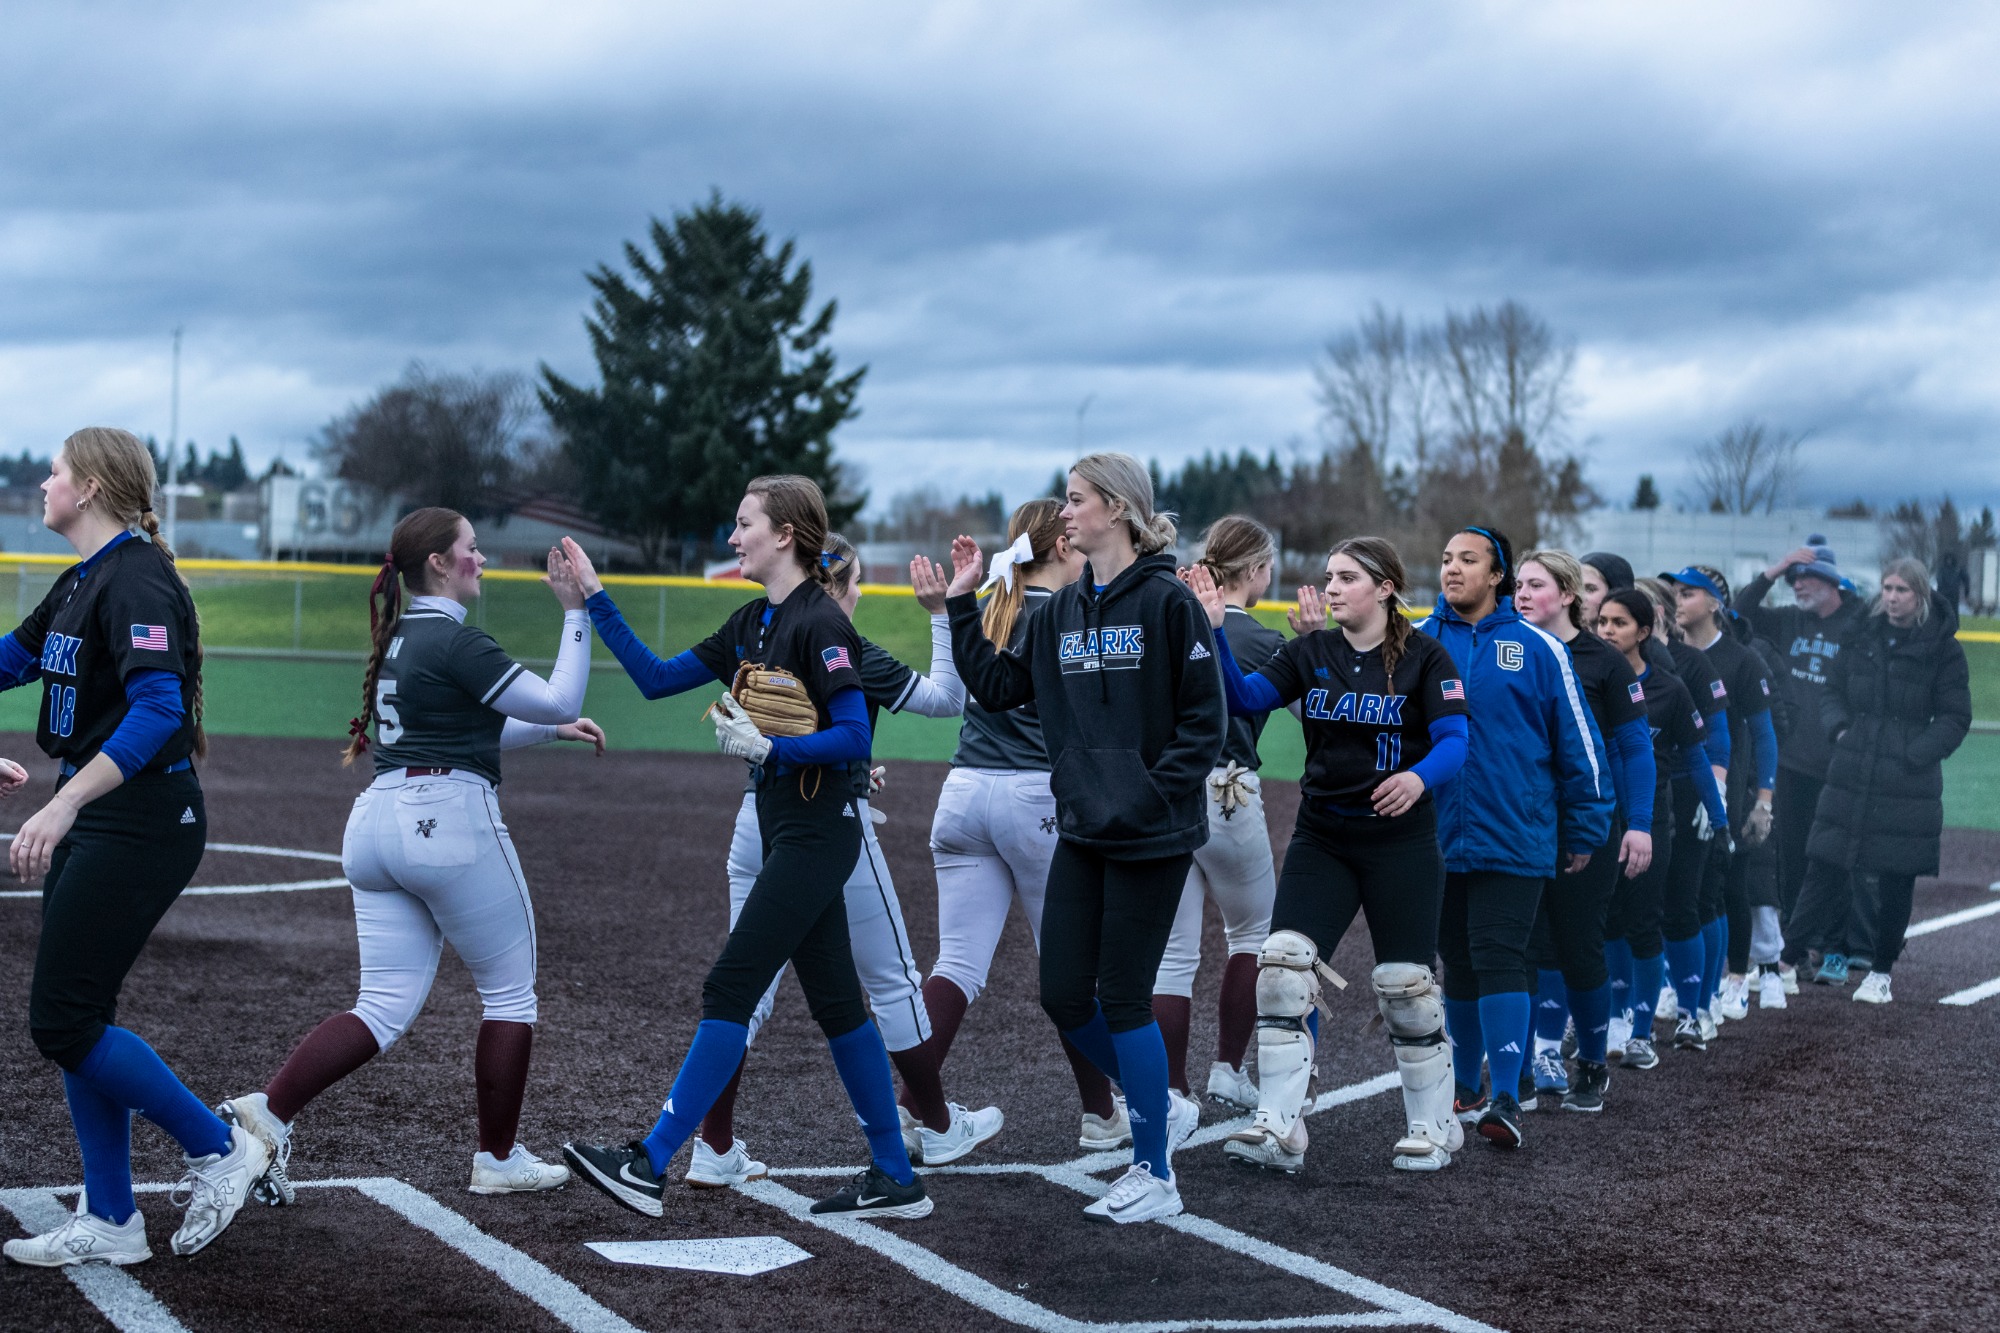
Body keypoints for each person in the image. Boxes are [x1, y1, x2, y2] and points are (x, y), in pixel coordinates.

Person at [562, 475, 933, 1221]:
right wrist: (594, 596)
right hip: (785, 831)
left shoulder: (820, 623)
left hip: (820, 831)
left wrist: (772, 748)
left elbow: (855, 737)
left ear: (785, 534)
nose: (733, 538)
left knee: (730, 986)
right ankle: (895, 1174)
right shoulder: (751, 621)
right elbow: (655, 678)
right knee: (837, 1007)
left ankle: (650, 1158)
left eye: (744, 524)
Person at [220, 510, 605, 1206]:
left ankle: (268, 1110)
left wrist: (552, 733)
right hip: (446, 821)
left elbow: (457, 732)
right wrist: (576, 611)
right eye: (472, 547)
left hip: (375, 821)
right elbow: (560, 695)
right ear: (437, 563)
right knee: (510, 993)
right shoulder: (456, 639)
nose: (481, 558)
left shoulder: (400, 634)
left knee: (381, 1005)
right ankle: (497, 1157)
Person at [1, 427, 270, 1268]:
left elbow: (159, 711)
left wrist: (66, 802)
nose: (42, 484)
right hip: (103, 814)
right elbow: (11, 660)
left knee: (63, 1019)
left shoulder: (138, 576)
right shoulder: (83, 578)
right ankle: (112, 1218)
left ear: (86, 487)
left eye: (52, 472)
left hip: (143, 816)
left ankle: (221, 1147)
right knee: (82, 1016)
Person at [945, 452, 1224, 1224]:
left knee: (1125, 996)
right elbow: (1000, 690)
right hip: (1083, 831)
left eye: (1076, 500)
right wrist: (961, 607)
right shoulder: (1061, 610)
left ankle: (1155, 1172)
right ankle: (1156, 1103)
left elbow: (1207, 723)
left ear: (1120, 509)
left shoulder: (1169, 602)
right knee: (1064, 992)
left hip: (1152, 835)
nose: (1064, 513)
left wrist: (1146, 797)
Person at [693, 533, 1003, 1181]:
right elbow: (949, 700)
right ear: (838, 583)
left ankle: (713, 1145)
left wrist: (854, 765)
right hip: (828, 828)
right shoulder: (849, 645)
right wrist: (943, 613)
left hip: (757, 821)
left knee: (746, 987)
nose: (859, 591)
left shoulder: (762, 632)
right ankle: (940, 1126)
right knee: (890, 979)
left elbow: (765, 725)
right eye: (856, 579)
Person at [1201, 537, 1468, 1173]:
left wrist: (1418, 778)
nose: (1331, 587)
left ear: (1385, 588)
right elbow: (1243, 698)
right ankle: (1281, 1123)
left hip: (1400, 842)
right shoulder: (1309, 650)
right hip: (1323, 836)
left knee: (1407, 987)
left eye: (1347, 577)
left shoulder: (1428, 657)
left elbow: (1456, 741)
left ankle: (1434, 1127)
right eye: (1329, 576)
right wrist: (1213, 631)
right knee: (1282, 967)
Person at [913, 499, 1127, 1151]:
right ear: (1062, 547)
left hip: (963, 790)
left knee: (956, 962)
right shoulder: (1066, 617)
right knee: (1069, 968)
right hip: (1033, 797)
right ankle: (1102, 1112)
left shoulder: (992, 607)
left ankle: (911, 1106)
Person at [1419, 526, 1611, 1150]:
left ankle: (1506, 1094)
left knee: (1500, 953)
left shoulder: (1538, 649)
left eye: (1467, 560)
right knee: (1457, 962)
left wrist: (1585, 824)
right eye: (1446, 559)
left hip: (1516, 831)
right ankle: (1467, 1088)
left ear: (1496, 574)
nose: (1452, 569)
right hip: (1436, 834)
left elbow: (1580, 745)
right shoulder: (1419, 640)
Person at [1781, 558, 1972, 1004]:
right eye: (1886, 587)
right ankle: (1787, 961)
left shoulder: (1942, 647)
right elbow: (1832, 691)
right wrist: (1841, 730)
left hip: (1907, 781)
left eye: (1902, 589)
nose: (1891, 596)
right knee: (1823, 861)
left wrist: (1914, 754)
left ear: (1920, 595)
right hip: (1852, 766)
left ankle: (1880, 972)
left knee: (1895, 876)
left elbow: (1955, 716)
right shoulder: (1861, 634)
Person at [1154, 516, 1285, 1111]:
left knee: (1174, 957)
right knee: (1253, 936)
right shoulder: (1264, 639)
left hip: (1170, 792)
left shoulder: (1167, 622)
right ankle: (1228, 1068)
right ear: (1255, 571)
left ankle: (1172, 1088)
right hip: (1231, 790)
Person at [1514, 551, 1651, 1113]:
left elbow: (1635, 748)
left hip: (1585, 827)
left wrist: (1638, 825)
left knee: (1578, 947)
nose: (1520, 593)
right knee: (1517, 948)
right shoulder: (1507, 649)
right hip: (1518, 824)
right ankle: (1516, 1071)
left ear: (1568, 594)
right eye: (1516, 584)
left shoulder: (1605, 662)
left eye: (1535, 585)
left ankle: (1592, 1065)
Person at [1593, 591, 1728, 1068]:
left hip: (1652, 822)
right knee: (1605, 923)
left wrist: (1720, 816)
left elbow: (1696, 757)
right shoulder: (1586, 679)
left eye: (1619, 623)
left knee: (1645, 923)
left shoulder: (1670, 689)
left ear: (1644, 632)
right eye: (1603, 622)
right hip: (1598, 821)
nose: (1607, 630)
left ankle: (1643, 1032)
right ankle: (1610, 1020)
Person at [1736, 537, 1865, 1002]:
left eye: (1807, 578)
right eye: (1794, 579)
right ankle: (1797, 945)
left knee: (1832, 858)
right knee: (1790, 855)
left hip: (1838, 763)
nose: (1798, 586)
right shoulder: (1789, 621)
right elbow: (1741, 610)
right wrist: (1775, 569)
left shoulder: (1857, 623)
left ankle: (1836, 949)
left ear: (1832, 583)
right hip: (1791, 761)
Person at [1661, 566, 1777, 1044]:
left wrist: (1763, 799)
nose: (1678, 601)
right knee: (1682, 891)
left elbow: (1765, 733)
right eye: (1674, 594)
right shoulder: (1668, 657)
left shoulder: (1741, 660)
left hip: (1728, 789)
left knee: (1722, 888)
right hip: (1678, 787)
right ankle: (1681, 983)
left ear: (1714, 603)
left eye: (1688, 594)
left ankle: (1732, 983)